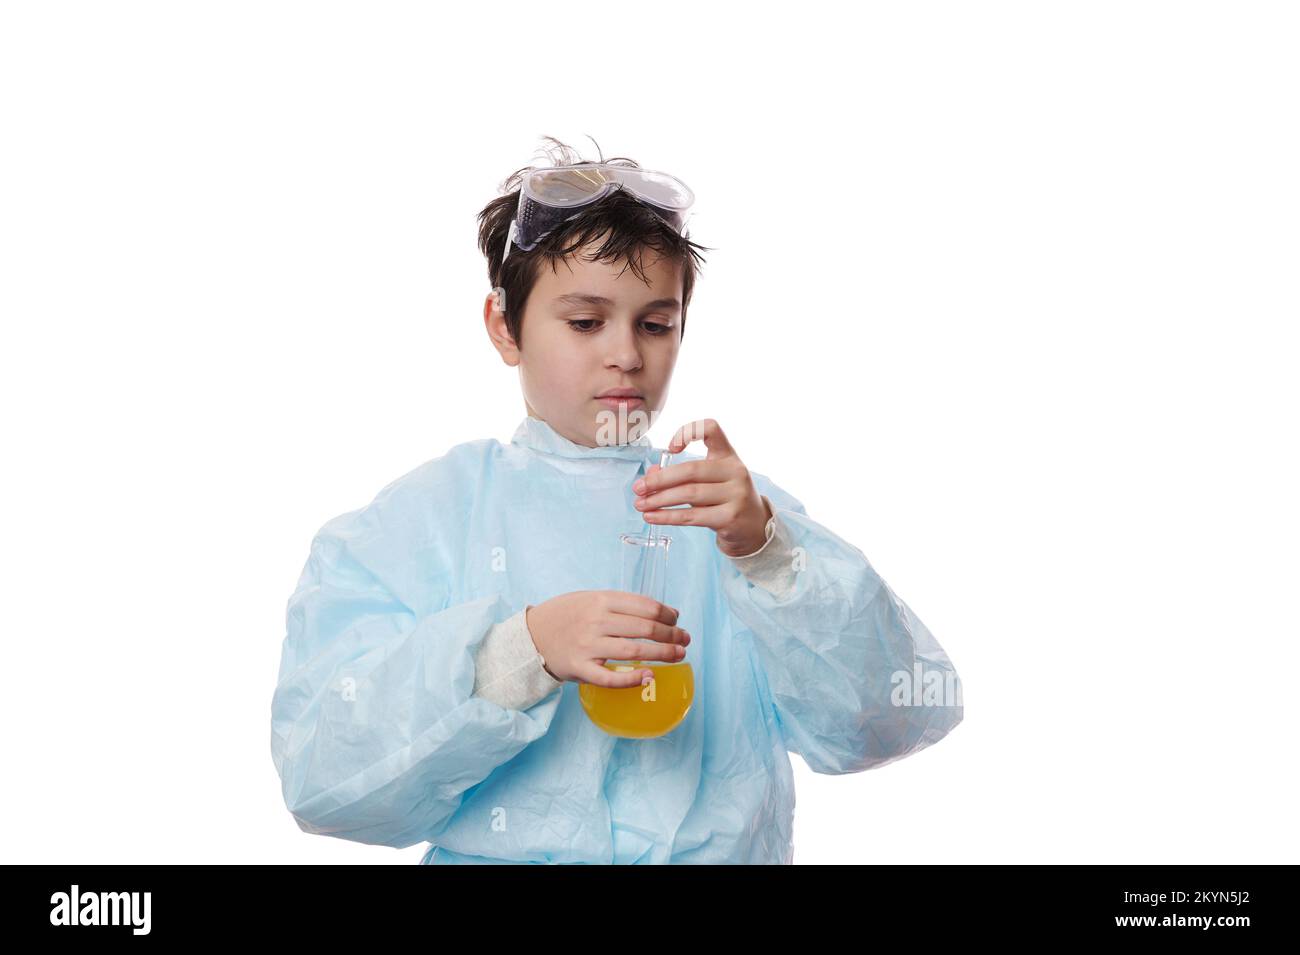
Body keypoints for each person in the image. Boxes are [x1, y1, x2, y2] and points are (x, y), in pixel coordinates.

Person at [269, 136, 964, 864]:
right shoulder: (429, 521)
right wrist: (521, 651)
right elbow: (323, 778)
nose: (627, 354)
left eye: (656, 323)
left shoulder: (731, 511)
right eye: (585, 322)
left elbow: (895, 719)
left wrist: (768, 556)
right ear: (504, 325)